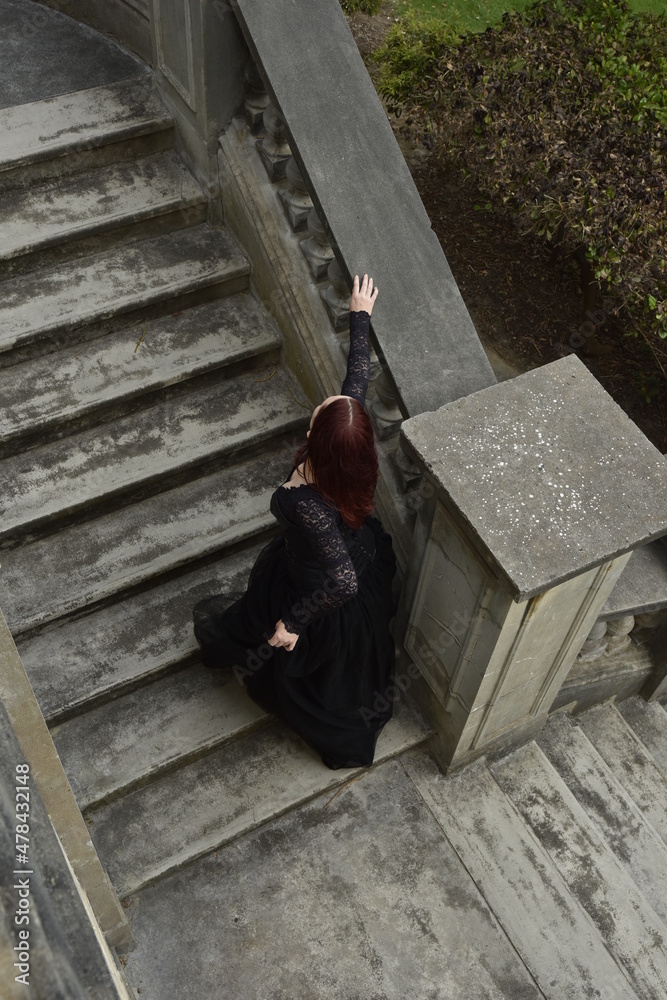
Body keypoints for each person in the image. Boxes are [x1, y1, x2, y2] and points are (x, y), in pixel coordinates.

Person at [192, 274, 397, 769]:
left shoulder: (310, 504)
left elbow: (343, 582)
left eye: (322, 412)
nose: (325, 403)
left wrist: (293, 621)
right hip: (340, 552)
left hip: (315, 586)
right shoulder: (351, 449)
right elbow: (356, 382)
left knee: (295, 667)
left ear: (318, 439)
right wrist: (359, 317)